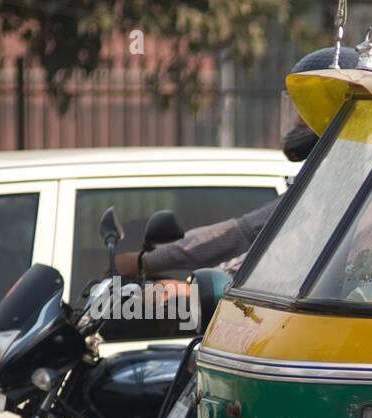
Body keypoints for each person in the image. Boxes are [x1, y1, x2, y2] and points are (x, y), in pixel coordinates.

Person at [113, 46, 357, 279]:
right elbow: (241, 231)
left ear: (335, 112)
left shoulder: (360, 183)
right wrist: (145, 261)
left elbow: (289, 252)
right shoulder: (323, 181)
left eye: (306, 112)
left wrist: (205, 285)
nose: (296, 124)